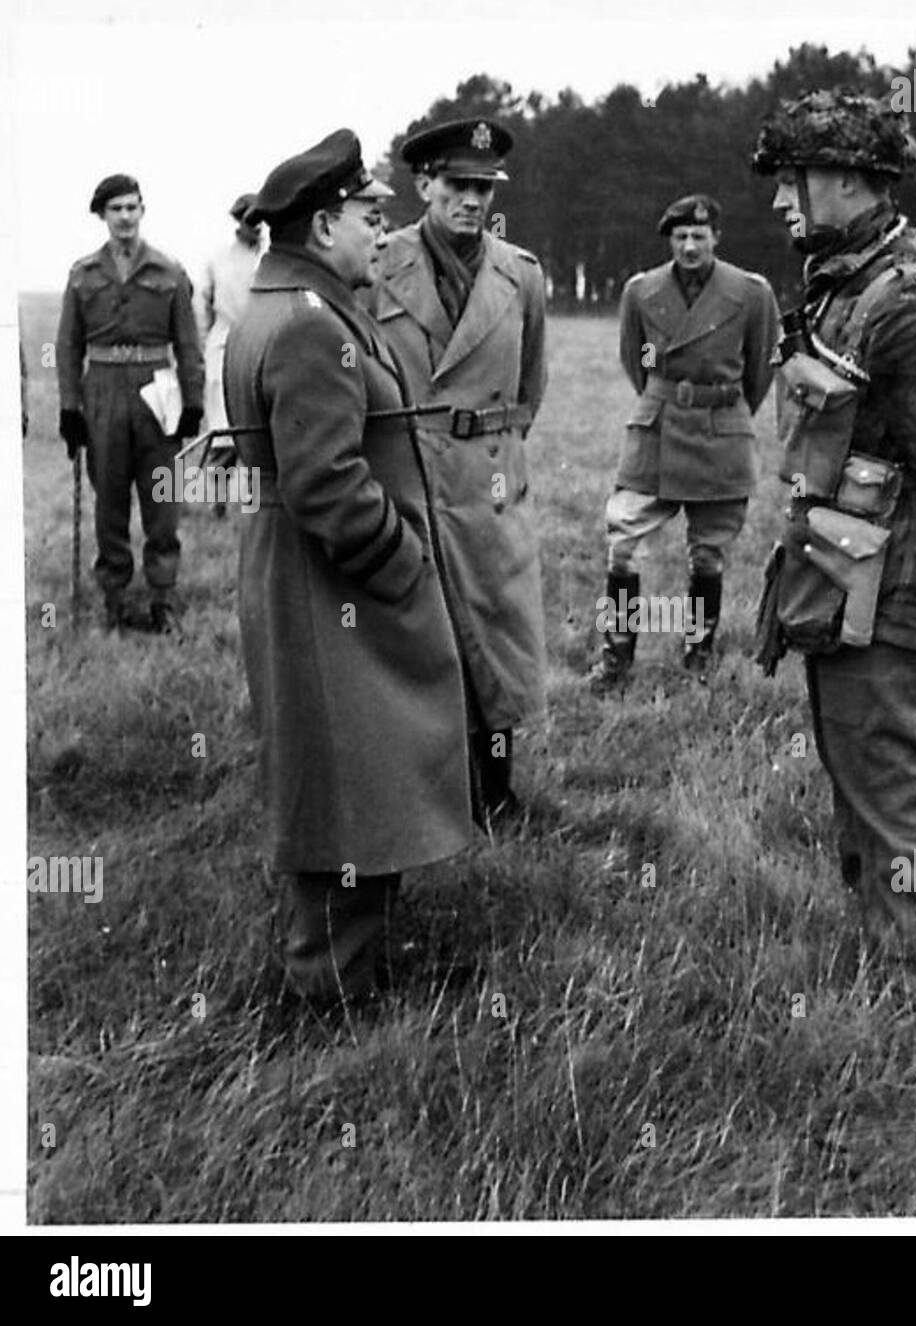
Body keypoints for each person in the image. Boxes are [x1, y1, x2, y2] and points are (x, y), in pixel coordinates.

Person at [223, 128, 473, 1003]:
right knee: (342, 778)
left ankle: (341, 967)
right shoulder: (306, 325)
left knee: (349, 770)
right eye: (371, 216)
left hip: (315, 578)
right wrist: (404, 565)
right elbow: (326, 484)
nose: (381, 231)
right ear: (325, 226)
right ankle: (327, 994)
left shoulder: (297, 306)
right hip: (333, 583)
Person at [750, 89, 916, 941]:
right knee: (855, 759)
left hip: (893, 584)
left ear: (857, 182)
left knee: (887, 774)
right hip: (844, 573)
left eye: (796, 180)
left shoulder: (910, 299)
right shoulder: (844, 285)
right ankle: (884, 935)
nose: (782, 200)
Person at [374, 117, 547, 826]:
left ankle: (496, 787)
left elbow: (529, 385)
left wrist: (490, 450)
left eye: (483, 187)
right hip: (408, 470)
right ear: (425, 186)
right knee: (419, 627)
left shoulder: (520, 274)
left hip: (489, 480)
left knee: (497, 627)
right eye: (458, 185)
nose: (472, 200)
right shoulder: (379, 265)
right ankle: (424, 786)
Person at [587, 194, 780, 690]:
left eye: (699, 236)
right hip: (657, 429)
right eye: (680, 237)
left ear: (716, 236)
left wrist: (722, 411)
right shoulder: (641, 291)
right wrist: (668, 400)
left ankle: (699, 657)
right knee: (623, 544)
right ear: (670, 241)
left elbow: (760, 370)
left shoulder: (751, 293)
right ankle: (615, 661)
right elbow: (637, 361)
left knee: (709, 554)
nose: (690, 246)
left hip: (722, 432)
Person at [56, 173, 204, 632]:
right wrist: (69, 409)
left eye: (132, 207)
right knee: (110, 503)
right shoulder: (83, 275)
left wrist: (193, 403)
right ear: (102, 215)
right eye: (116, 208)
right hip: (101, 392)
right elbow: (67, 347)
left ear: (143, 211)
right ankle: (114, 600)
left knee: (162, 499)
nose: (125, 216)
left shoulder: (169, 272)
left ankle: (163, 598)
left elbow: (188, 343)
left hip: (156, 393)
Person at [195, 191, 263, 514]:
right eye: (250, 221)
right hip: (223, 345)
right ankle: (217, 503)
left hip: (262, 345)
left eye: (260, 221)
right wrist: (206, 341)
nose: (256, 227)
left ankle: (256, 504)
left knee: (258, 424)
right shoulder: (218, 259)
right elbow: (203, 306)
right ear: (239, 222)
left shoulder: (270, 258)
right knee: (223, 427)